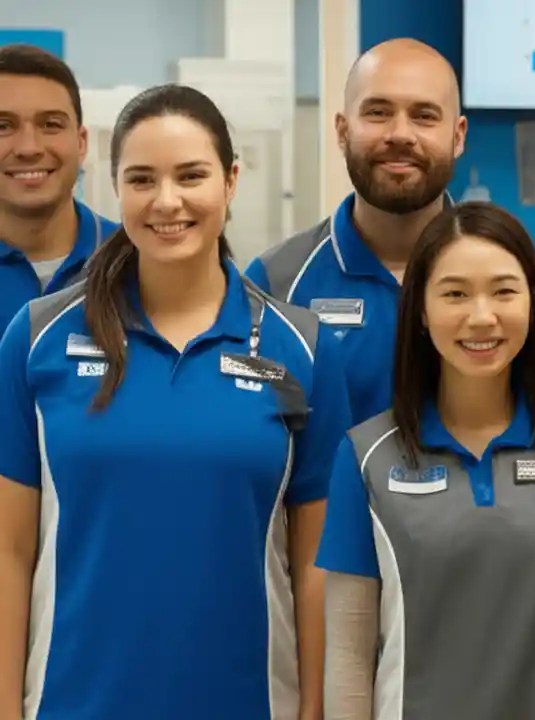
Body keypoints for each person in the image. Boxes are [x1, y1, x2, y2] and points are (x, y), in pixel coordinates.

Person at [0, 84, 350, 719]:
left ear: (231, 180)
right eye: (142, 179)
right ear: (115, 189)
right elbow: (8, 550)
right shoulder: (37, 337)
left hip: (249, 702)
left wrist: (316, 709)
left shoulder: (301, 348)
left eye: (192, 175)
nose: (167, 201)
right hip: (74, 703)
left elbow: (317, 565)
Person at [318, 202, 535, 720]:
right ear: (421, 310)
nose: (481, 316)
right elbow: (349, 657)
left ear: (533, 303)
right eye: (455, 293)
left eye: (504, 291)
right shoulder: (365, 457)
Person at [246, 38, 463, 424]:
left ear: (458, 136)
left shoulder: (503, 279)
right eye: (378, 112)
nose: (400, 134)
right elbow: (251, 436)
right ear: (342, 131)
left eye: (424, 116)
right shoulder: (276, 283)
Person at [0, 44, 117, 328]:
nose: (29, 148)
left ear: (81, 143)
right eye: (3, 126)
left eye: (50, 124)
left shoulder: (135, 262)